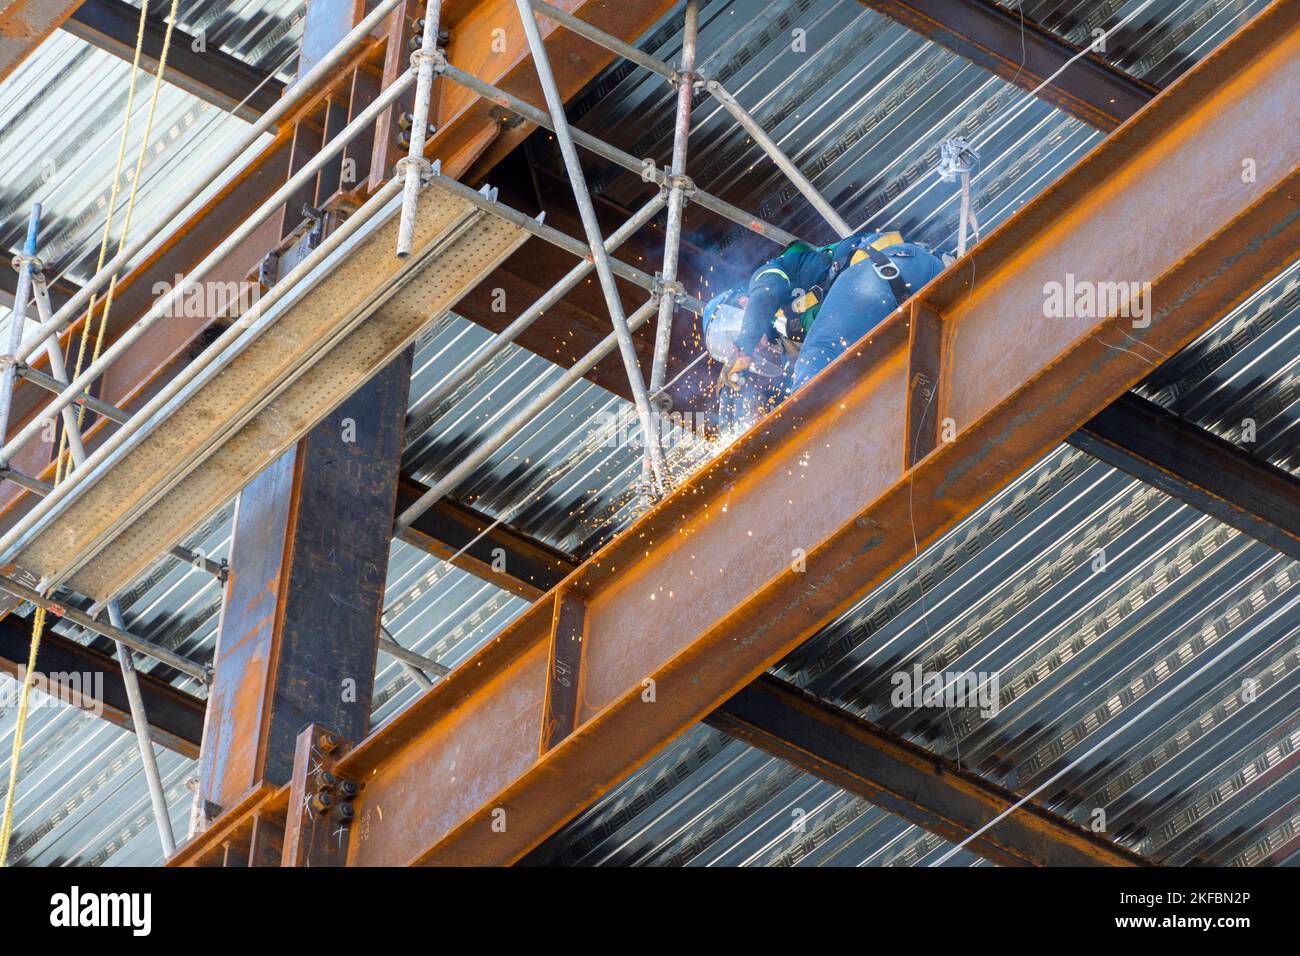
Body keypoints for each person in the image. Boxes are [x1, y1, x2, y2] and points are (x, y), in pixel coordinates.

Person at [789, 230, 944, 390]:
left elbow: (761, 298)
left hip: (876, 277)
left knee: (817, 356)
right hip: (922, 265)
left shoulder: (776, 274)